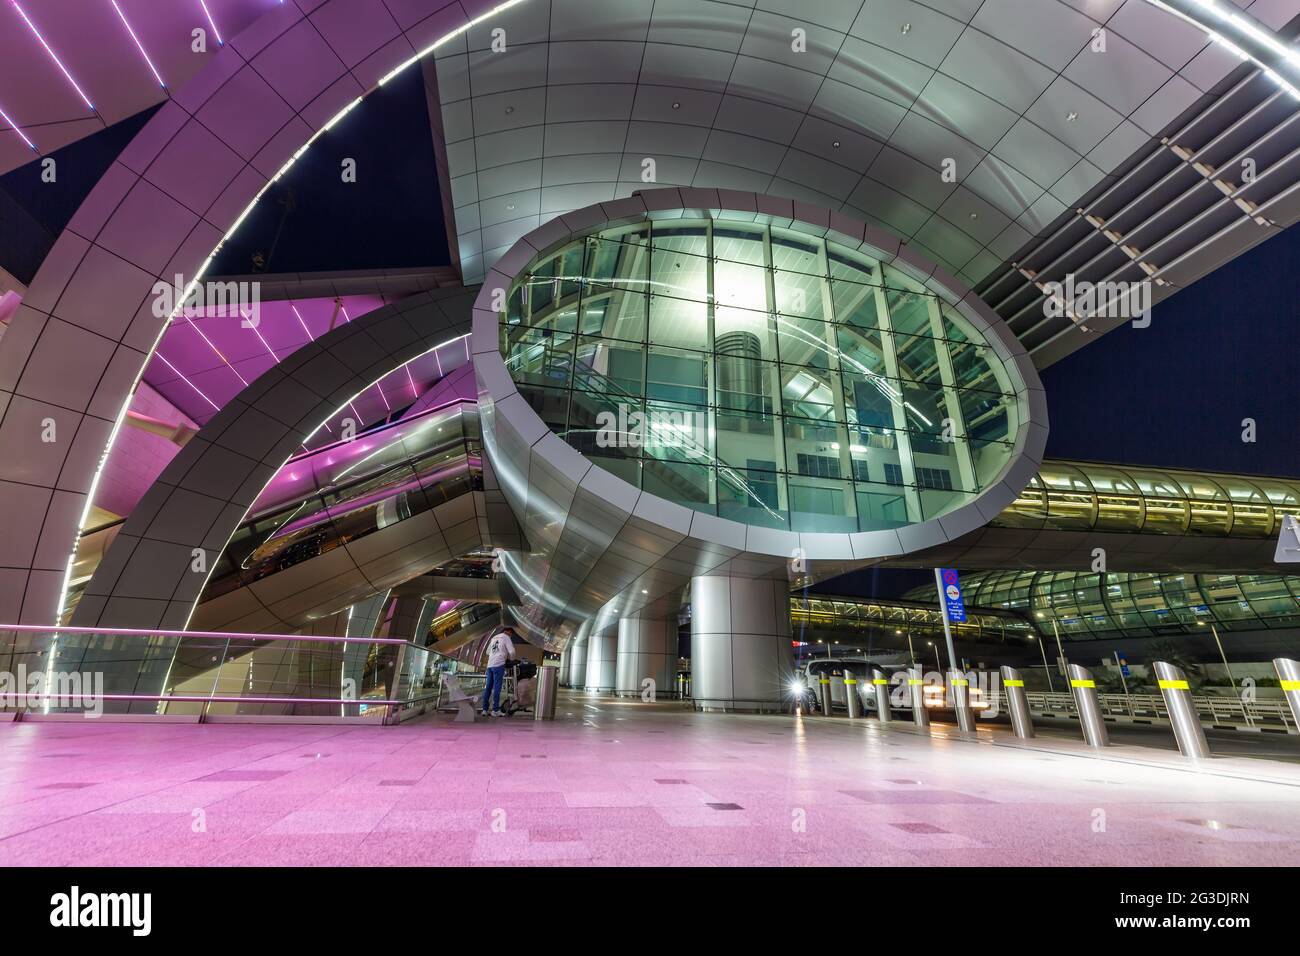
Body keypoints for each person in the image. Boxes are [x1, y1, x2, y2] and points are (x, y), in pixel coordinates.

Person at [480, 626, 516, 717]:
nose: (511, 636)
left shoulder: (494, 637)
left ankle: (484, 709)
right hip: (499, 664)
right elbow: (512, 652)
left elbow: (488, 652)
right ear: (509, 632)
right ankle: (495, 710)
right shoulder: (506, 637)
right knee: (497, 688)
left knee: (488, 687)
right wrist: (511, 660)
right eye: (511, 635)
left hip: (490, 665)